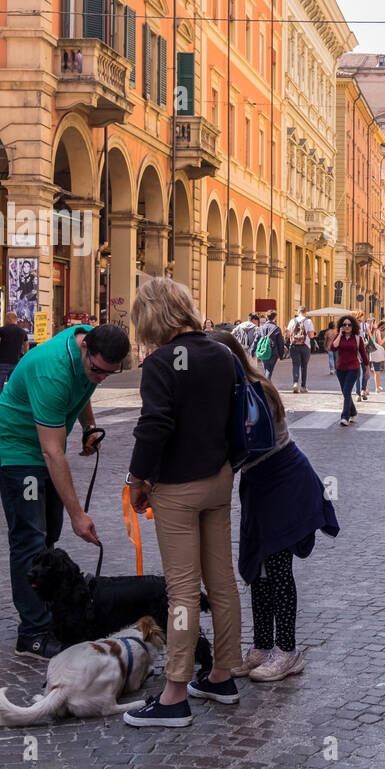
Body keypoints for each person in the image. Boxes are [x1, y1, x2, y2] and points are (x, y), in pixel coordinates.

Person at [122, 278, 241, 726]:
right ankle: (222, 675)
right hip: (219, 479)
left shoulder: (160, 363)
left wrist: (137, 479)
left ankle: (174, 695)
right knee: (222, 581)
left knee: (183, 589)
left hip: (177, 487)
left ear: (151, 316)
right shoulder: (222, 354)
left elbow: (153, 426)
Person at [0, 322, 129, 659]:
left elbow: (83, 388)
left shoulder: (90, 348)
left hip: (42, 452)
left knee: (49, 535)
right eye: (99, 370)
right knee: (31, 541)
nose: (101, 378)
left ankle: (43, 612)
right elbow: (52, 452)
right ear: (85, 350)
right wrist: (79, 515)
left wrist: (89, 427)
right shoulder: (52, 371)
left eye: (110, 374)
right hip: (18, 454)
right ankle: (33, 633)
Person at [211, 331, 338, 684]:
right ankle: (262, 645)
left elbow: (242, 445)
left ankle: (287, 651)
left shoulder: (253, 390)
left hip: (283, 482)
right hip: (263, 484)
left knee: (278, 569)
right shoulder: (241, 387)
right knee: (260, 569)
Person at [329, 314, 370, 426]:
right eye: (344, 325)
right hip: (341, 369)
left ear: (353, 326)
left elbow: (363, 354)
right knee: (345, 393)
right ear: (341, 326)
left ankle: (345, 417)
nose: (347, 326)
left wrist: (367, 369)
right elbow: (333, 348)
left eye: (349, 325)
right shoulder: (339, 337)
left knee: (347, 392)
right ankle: (354, 412)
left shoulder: (358, 338)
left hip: (353, 368)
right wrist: (339, 334)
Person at [0, 313, 29, 403]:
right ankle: (11, 405)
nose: (5, 320)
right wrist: (24, 357)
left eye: (5, 318)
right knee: (12, 385)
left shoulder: (2, 330)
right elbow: (26, 345)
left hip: (2, 361)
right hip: (15, 362)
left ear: (9, 318)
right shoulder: (22, 331)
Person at [285, 306, 315, 393]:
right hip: (305, 346)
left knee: (295, 365)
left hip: (294, 345)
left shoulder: (292, 321)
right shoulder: (308, 321)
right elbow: (311, 335)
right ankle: (303, 386)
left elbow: (288, 334)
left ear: (298, 312)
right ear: (306, 312)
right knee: (304, 366)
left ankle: (295, 383)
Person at [258, 310, 285, 379]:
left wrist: (252, 351)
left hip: (263, 351)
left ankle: (267, 385)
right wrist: (281, 355)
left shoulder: (261, 328)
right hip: (273, 352)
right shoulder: (276, 328)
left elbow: (256, 340)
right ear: (275, 317)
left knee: (266, 369)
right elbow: (280, 343)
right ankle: (267, 386)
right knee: (269, 370)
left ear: (267, 317)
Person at [368, 321, 385, 393]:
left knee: (367, 371)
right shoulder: (377, 331)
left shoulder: (367, 330)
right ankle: (377, 388)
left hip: (367, 351)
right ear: (373, 324)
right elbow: (380, 342)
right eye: (375, 322)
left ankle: (365, 388)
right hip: (375, 352)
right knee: (377, 371)